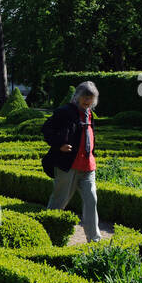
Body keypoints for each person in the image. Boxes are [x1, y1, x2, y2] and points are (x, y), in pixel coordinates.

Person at [43, 81, 101, 241]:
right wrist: (59, 145)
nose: (87, 101)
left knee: (91, 200)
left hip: (88, 165)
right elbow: (46, 129)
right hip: (68, 165)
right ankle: (46, 232)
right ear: (77, 96)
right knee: (59, 200)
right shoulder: (65, 112)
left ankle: (94, 239)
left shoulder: (90, 113)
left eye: (90, 98)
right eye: (85, 97)